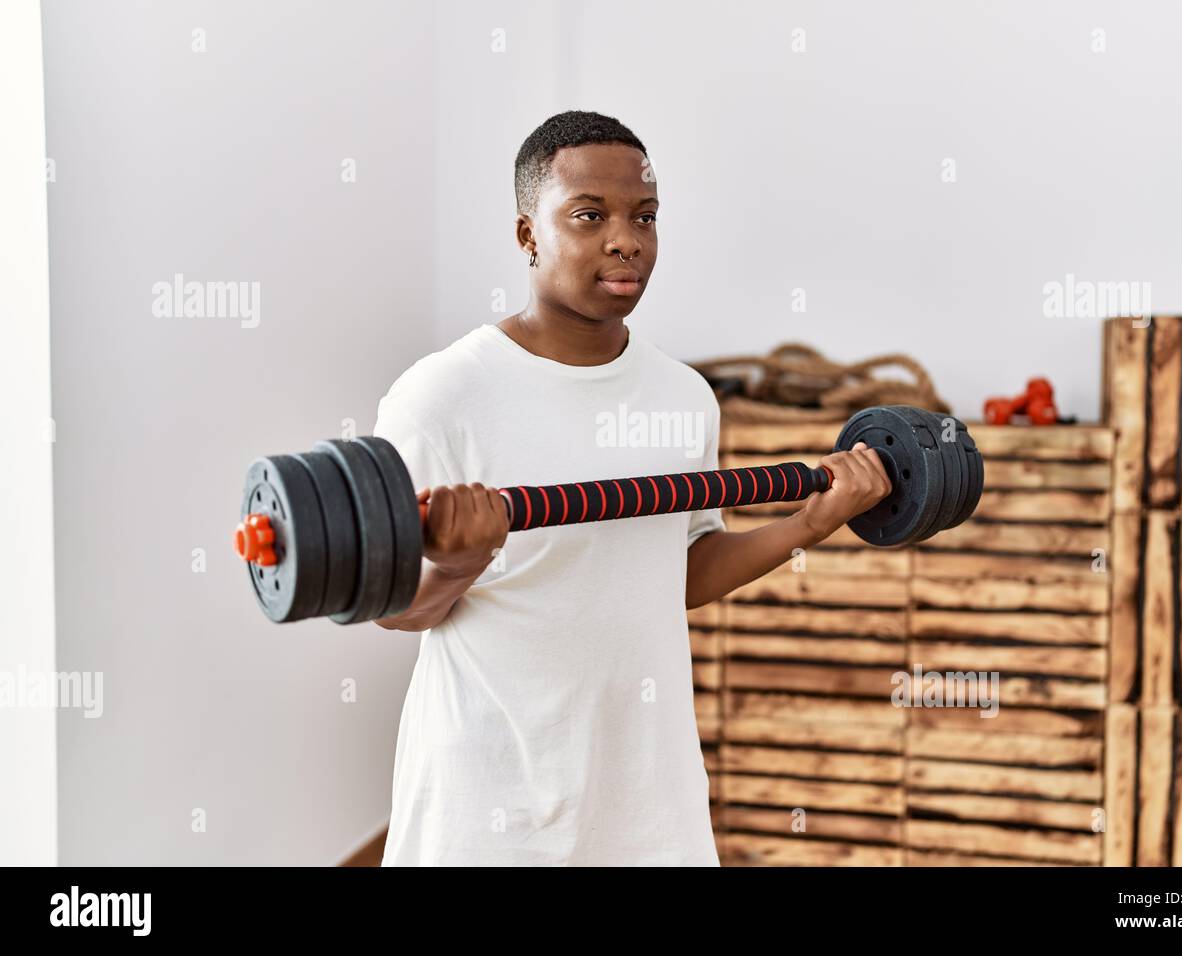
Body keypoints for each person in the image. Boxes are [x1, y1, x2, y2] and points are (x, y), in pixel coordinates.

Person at [373, 110, 890, 865]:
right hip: (490, 798)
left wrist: (809, 526)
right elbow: (397, 613)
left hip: (646, 793)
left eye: (644, 216)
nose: (627, 240)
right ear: (527, 235)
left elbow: (676, 568)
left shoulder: (684, 397)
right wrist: (455, 563)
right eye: (590, 216)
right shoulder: (444, 394)